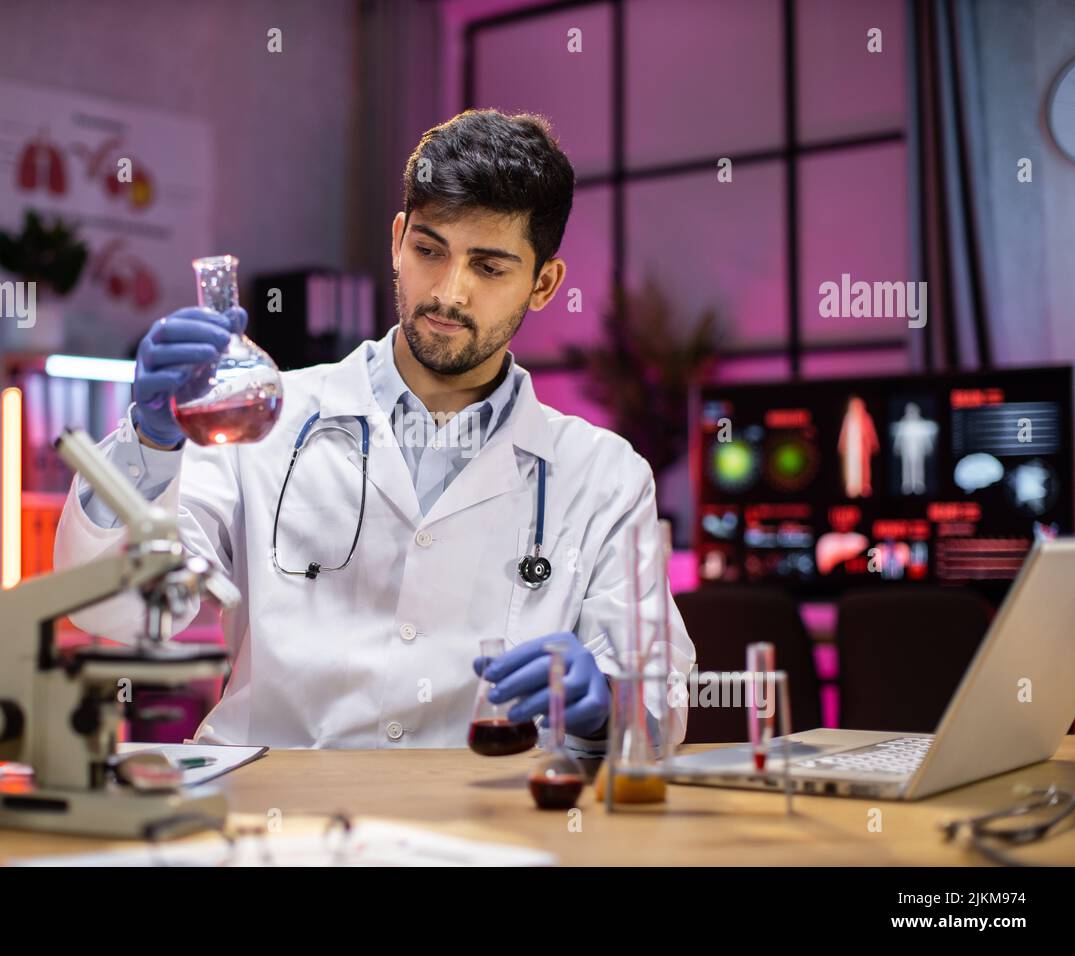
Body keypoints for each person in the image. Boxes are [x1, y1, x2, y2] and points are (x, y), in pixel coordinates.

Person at [54, 109, 695, 752]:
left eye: (490, 267)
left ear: (544, 283)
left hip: (480, 829)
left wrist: (605, 702)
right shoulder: (265, 425)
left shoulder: (602, 474)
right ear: (397, 240)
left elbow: (659, 705)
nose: (449, 293)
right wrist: (151, 443)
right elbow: (116, 613)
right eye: (429, 250)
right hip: (272, 826)